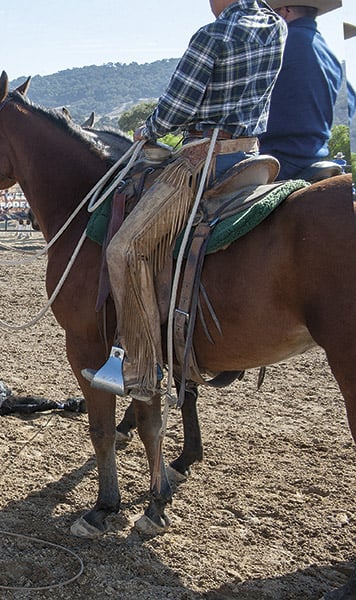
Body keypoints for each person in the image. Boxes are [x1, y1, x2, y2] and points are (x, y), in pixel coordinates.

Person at [83, 0, 286, 402]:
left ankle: (141, 368)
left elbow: (176, 107)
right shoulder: (277, 27)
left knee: (125, 248)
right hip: (252, 158)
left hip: (202, 162)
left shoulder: (213, 35)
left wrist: (149, 129)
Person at [259, 0, 347, 180]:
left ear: (285, 11)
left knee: (204, 191)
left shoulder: (279, 45)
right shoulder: (330, 55)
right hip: (316, 157)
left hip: (279, 158)